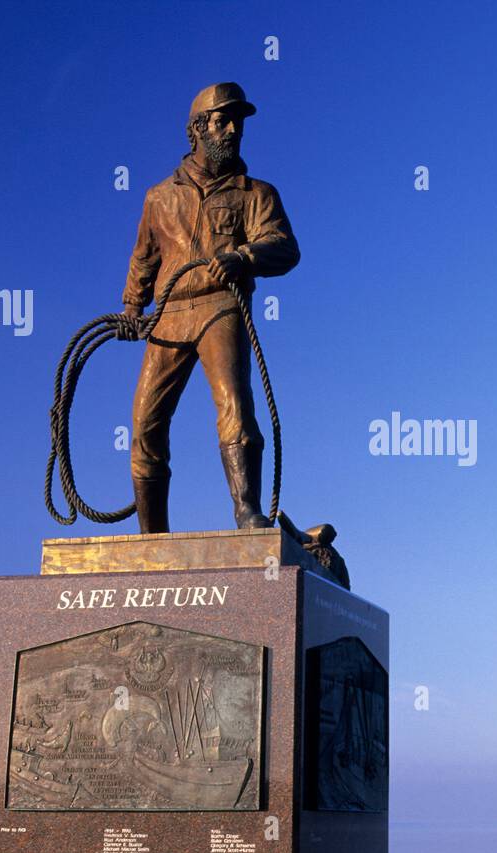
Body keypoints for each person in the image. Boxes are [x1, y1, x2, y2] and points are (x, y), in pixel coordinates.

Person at [121, 82, 299, 532]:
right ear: (197, 129)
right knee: (144, 423)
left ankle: (246, 512)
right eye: (222, 121)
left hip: (222, 307)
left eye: (237, 122)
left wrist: (244, 257)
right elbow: (144, 257)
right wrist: (131, 308)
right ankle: (151, 536)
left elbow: (284, 247)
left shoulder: (256, 193)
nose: (234, 130)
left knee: (234, 405)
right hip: (169, 316)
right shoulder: (159, 197)